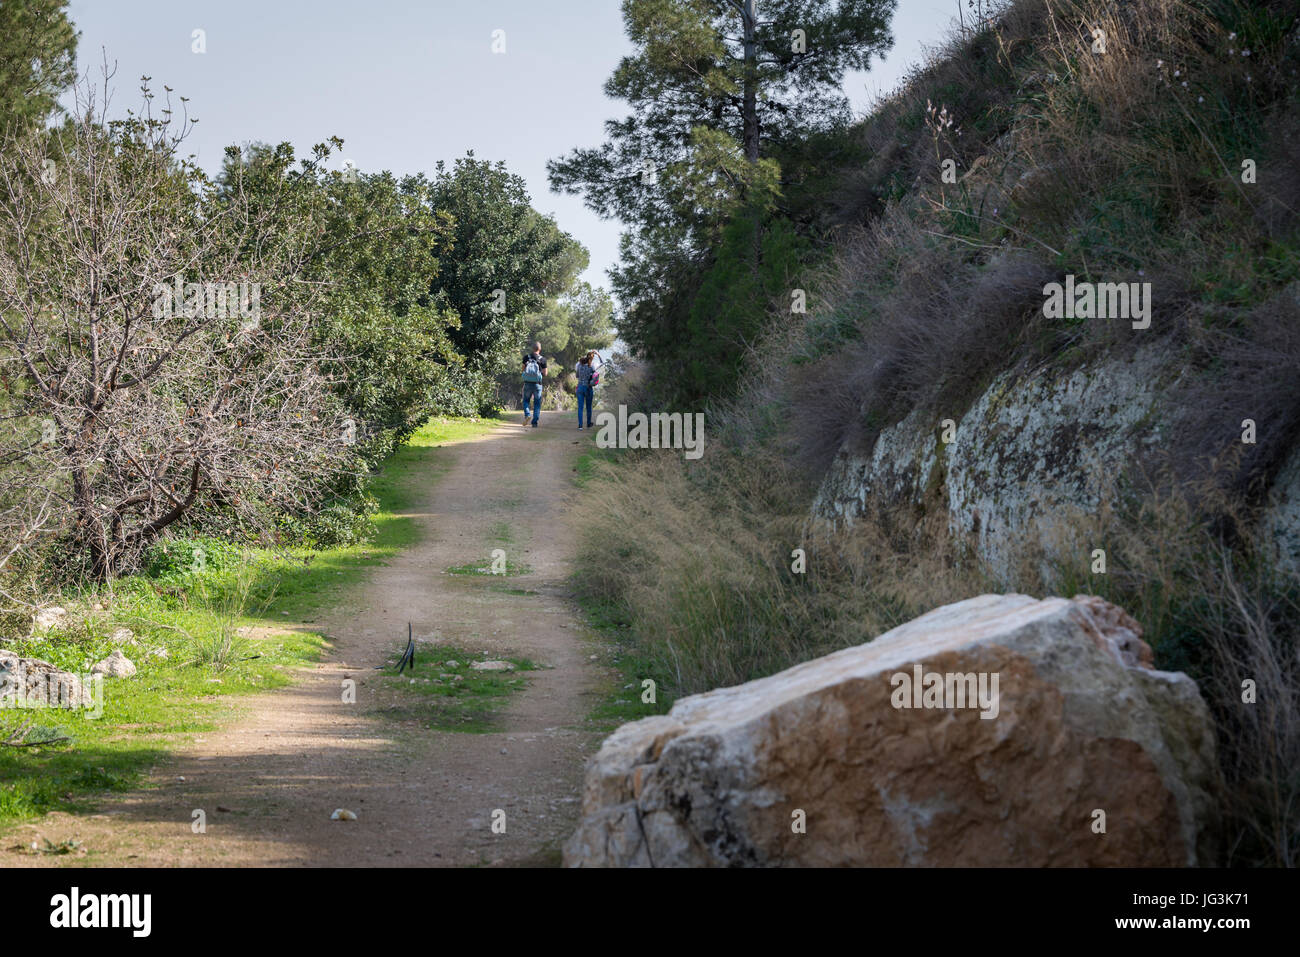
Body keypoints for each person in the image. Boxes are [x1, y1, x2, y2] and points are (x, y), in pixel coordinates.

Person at [521, 341, 547, 428]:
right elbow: (545, 373)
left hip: (527, 383)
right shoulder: (543, 359)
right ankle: (534, 422)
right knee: (537, 403)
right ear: (540, 349)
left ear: (532, 348)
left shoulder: (526, 357)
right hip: (537, 384)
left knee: (525, 400)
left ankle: (527, 414)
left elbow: (523, 370)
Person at [575, 351, 596, 430]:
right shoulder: (591, 366)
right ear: (591, 359)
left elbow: (577, 376)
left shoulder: (579, 365)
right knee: (588, 407)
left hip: (580, 387)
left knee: (580, 407)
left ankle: (580, 425)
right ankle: (588, 423)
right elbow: (594, 376)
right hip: (588, 387)